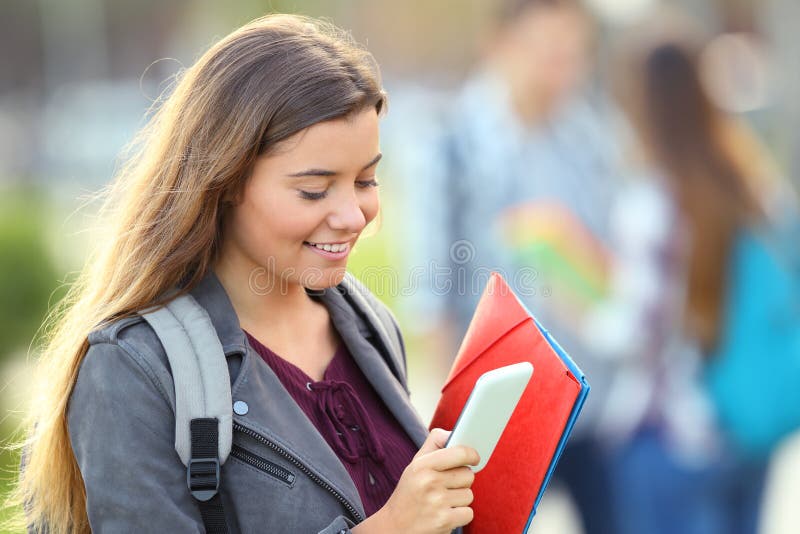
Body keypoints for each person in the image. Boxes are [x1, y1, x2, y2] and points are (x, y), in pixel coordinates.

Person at [13, 14, 479, 534]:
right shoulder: (130, 371)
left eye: (366, 180)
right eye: (314, 190)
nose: (353, 216)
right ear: (227, 179)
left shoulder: (368, 322)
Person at [605, 20, 797, 534]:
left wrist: (578, 304)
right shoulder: (754, 186)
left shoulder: (652, 203)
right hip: (746, 426)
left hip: (673, 439)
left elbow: (637, 333)